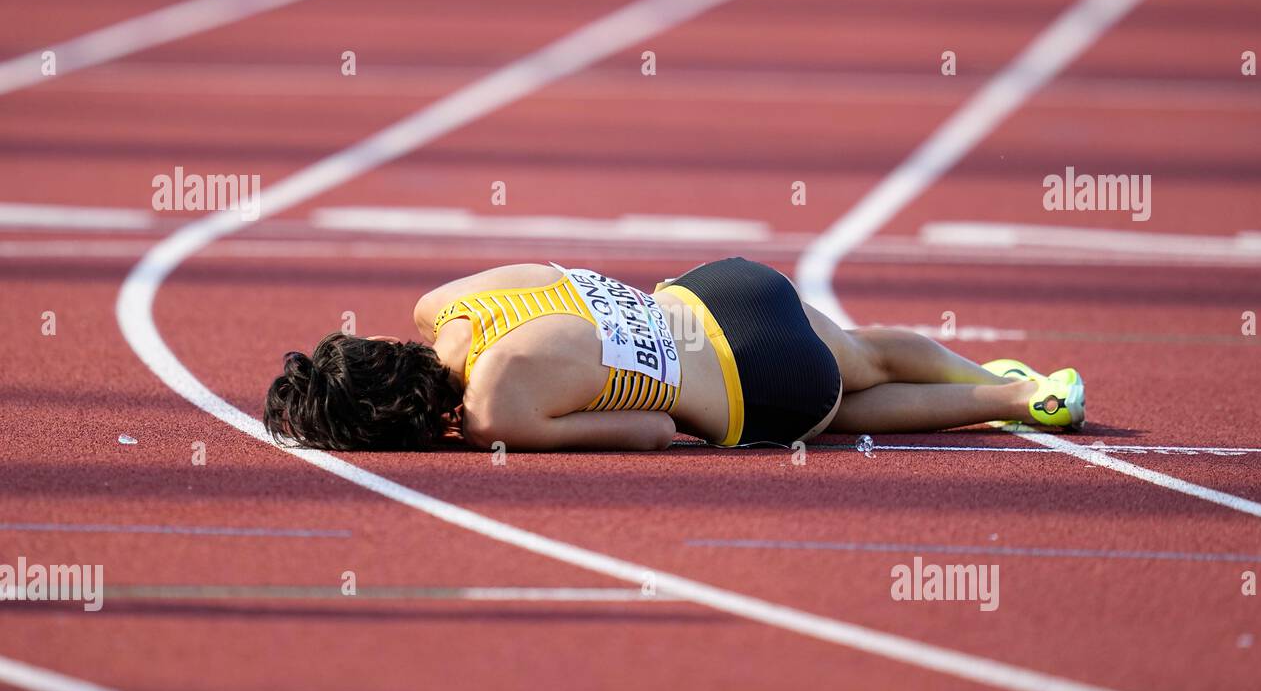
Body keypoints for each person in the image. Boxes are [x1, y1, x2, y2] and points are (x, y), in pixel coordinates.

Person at [263, 258, 1083, 452]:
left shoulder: (490, 413)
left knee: (838, 408)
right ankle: (1006, 379)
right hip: (715, 292)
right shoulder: (443, 305)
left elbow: (654, 430)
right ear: (376, 345)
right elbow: (564, 271)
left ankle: (1021, 402)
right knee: (863, 356)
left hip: (755, 382)